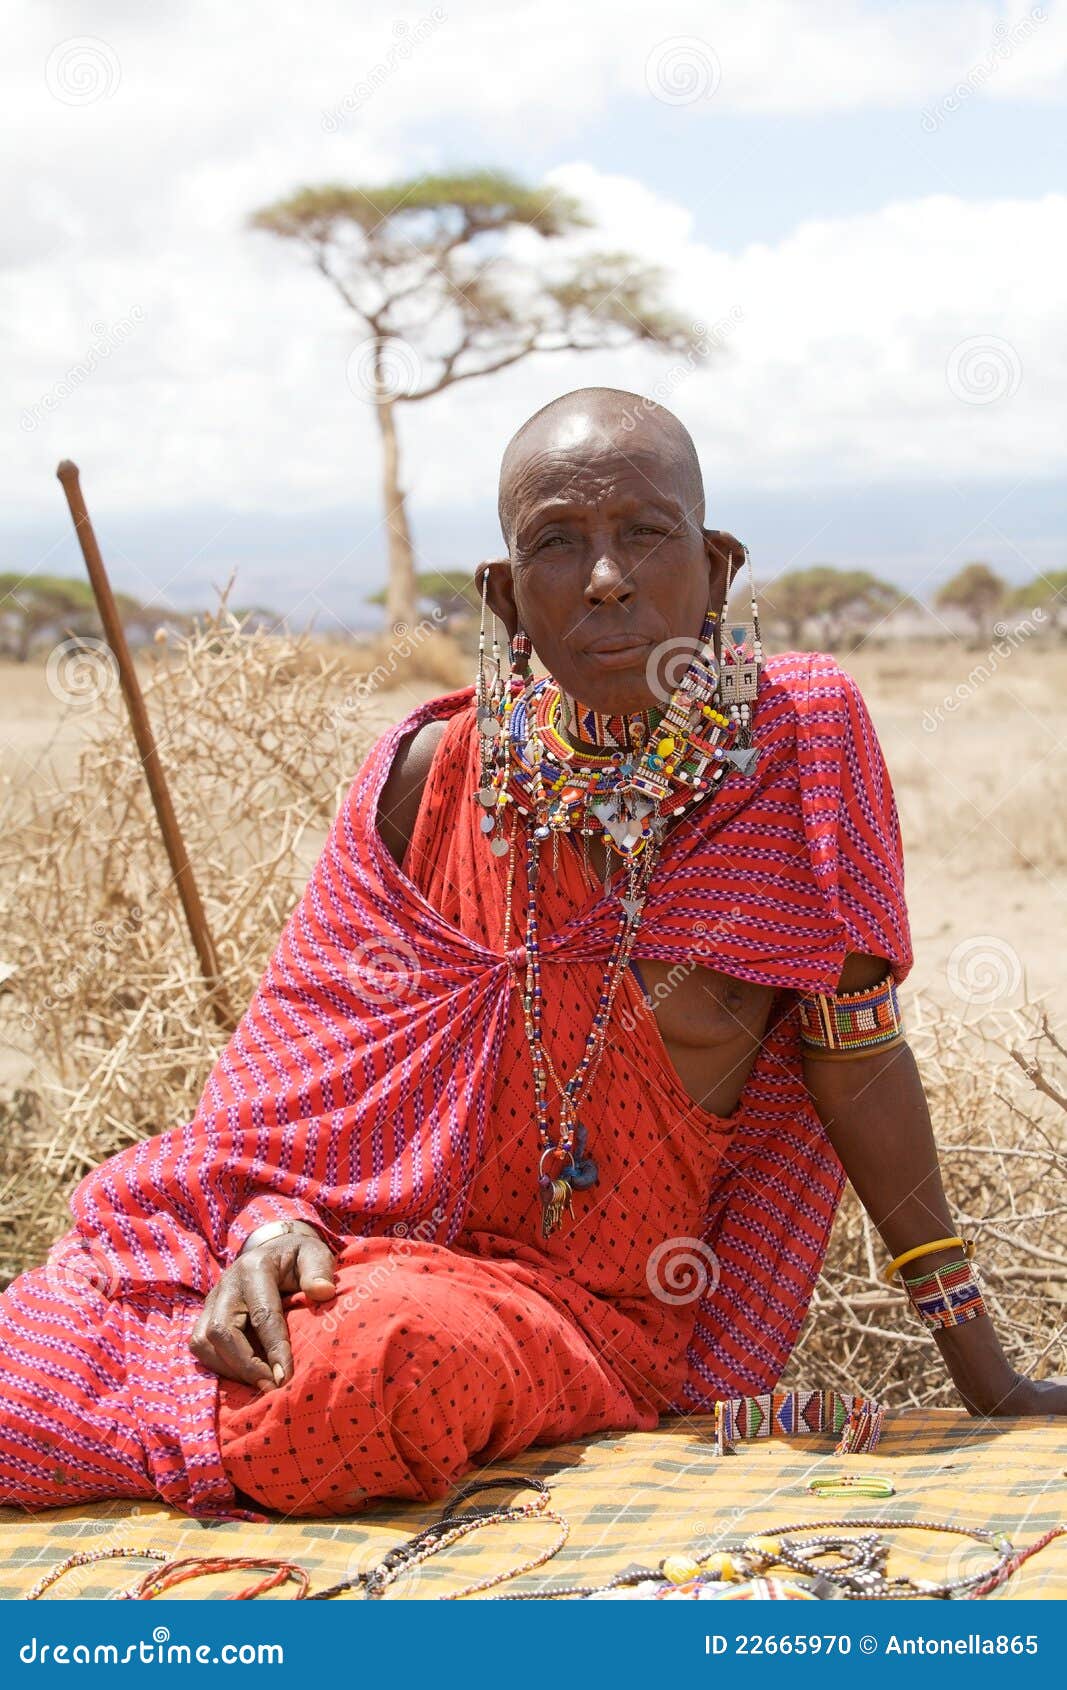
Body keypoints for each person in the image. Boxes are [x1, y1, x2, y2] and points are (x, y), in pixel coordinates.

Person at [1, 388, 1062, 1522]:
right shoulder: (431, 779)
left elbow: (857, 1062)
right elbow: (278, 1090)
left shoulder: (796, 748)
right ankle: (198, 1399)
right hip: (345, 1257)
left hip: (581, 1314)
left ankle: (213, 1413)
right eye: (557, 542)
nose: (604, 578)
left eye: (644, 533)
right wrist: (266, 1227)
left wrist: (985, 1376)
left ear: (714, 569)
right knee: (30, 1365)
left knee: (370, 1363)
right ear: (504, 596)